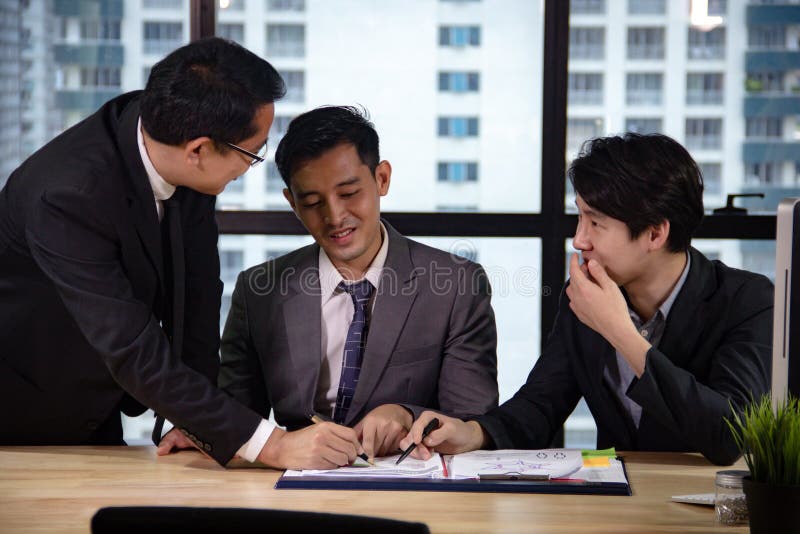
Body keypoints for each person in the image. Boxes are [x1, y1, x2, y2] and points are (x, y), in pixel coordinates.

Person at [0, 37, 290, 468]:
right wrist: (270, 444)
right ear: (199, 151)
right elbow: (132, 346)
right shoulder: (69, 196)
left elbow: (198, 294)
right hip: (24, 416)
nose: (252, 164)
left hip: (98, 401)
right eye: (253, 152)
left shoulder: (171, 133)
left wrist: (195, 423)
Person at [400, 133, 773, 466]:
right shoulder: (584, 295)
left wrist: (620, 333)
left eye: (595, 223)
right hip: (616, 505)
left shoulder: (747, 300)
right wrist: (472, 433)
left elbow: (730, 436)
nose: (580, 240)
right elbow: (541, 403)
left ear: (655, 233)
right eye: (580, 217)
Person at [218, 105, 499, 467]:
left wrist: (405, 414)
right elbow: (236, 417)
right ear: (292, 203)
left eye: (349, 193)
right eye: (313, 202)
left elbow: (474, 421)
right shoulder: (259, 289)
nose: (334, 217)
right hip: (294, 487)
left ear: (382, 179)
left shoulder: (458, 284)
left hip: (414, 487)